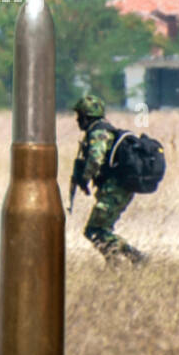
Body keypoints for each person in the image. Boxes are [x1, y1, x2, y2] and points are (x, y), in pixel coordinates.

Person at [71, 94, 146, 265]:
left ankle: (136, 257)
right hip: (117, 188)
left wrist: (85, 178)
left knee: (93, 230)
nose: (77, 120)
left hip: (114, 189)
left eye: (80, 116)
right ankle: (114, 264)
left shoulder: (98, 132)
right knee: (102, 230)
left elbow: (95, 159)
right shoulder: (103, 130)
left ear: (87, 116)